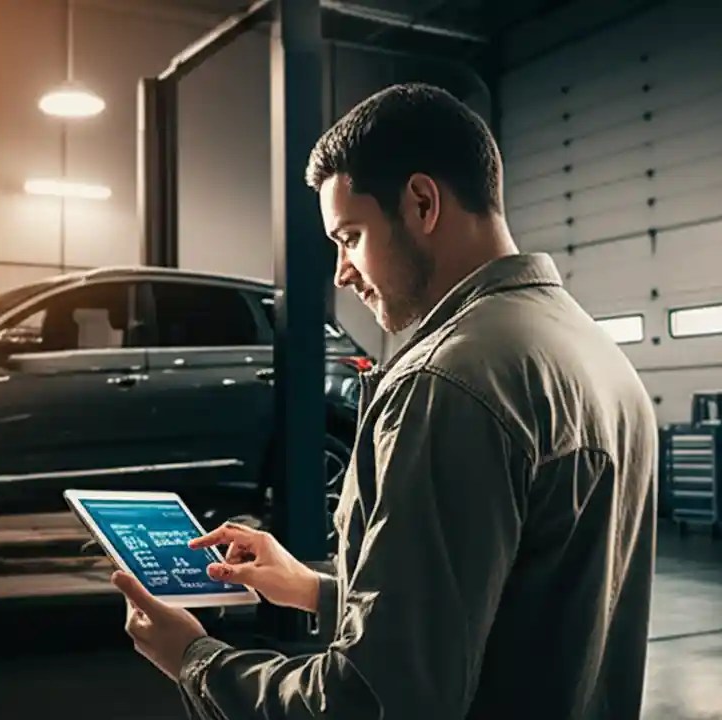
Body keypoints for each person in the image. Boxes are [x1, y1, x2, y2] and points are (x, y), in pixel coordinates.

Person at [110, 82, 658, 719]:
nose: (342, 271)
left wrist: (197, 660)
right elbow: (507, 613)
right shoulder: (600, 358)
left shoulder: (446, 382)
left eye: (350, 237)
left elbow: (370, 702)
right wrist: (316, 591)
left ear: (422, 203)